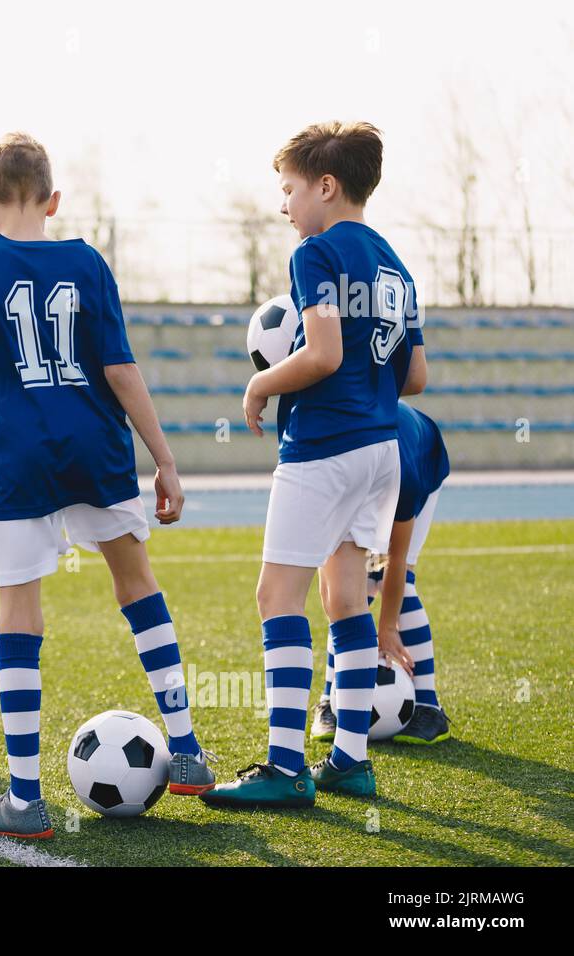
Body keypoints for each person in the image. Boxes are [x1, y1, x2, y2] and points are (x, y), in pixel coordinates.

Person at [0, 133, 215, 839]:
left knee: (19, 613)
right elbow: (121, 370)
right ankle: (187, 750)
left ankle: (25, 799)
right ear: (54, 201)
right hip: (96, 446)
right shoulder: (86, 261)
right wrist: (165, 459)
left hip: (19, 457)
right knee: (138, 586)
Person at [202, 122, 428, 809]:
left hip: (324, 448)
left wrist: (261, 384)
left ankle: (283, 766)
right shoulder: (397, 265)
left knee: (277, 599)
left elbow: (324, 354)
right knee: (346, 601)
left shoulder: (315, 252)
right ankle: (350, 760)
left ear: (325, 187)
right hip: (381, 450)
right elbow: (414, 375)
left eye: (289, 189)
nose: (284, 205)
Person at [312, 400, 451, 745]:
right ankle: (330, 699)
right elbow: (328, 570)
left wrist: (387, 628)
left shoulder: (404, 472)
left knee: (400, 585)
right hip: (362, 468)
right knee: (355, 589)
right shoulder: (324, 464)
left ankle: (428, 707)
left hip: (423, 454)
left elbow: (397, 557)